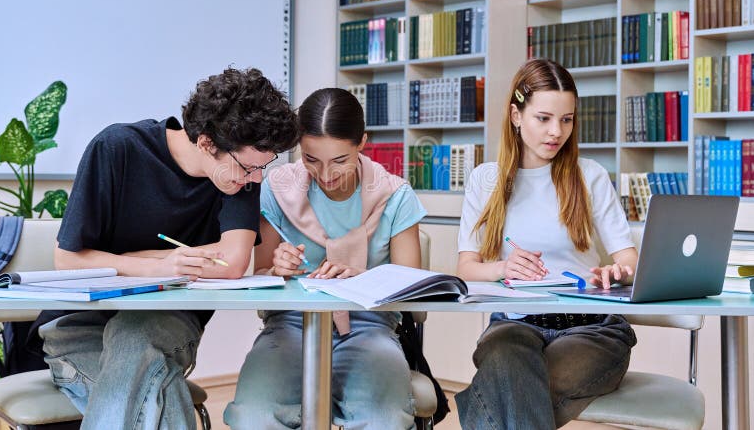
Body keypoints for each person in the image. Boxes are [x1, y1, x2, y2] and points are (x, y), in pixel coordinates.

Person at [37, 67, 299, 430]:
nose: (256, 179)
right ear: (207, 143)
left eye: (263, 168)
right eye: (249, 168)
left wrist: (127, 259)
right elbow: (66, 259)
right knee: (161, 404)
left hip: (165, 324)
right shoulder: (117, 149)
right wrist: (159, 267)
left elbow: (235, 262)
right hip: (81, 328)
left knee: (136, 337)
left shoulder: (241, 179)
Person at [224, 87, 426, 430]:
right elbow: (260, 271)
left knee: (385, 419)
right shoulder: (277, 188)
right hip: (290, 325)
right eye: (311, 159)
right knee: (253, 415)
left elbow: (410, 287)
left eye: (340, 161)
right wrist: (278, 266)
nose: (326, 174)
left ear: (362, 142)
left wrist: (361, 278)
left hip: (369, 326)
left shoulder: (395, 194)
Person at [454, 59, 639, 429]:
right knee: (509, 365)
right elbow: (466, 268)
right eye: (544, 118)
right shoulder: (485, 180)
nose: (557, 132)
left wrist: (617, 271)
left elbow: (628, 258)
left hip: (592, 330)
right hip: (514, 325)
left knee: (506, 383)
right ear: (516, 115)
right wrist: (502, 268)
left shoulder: (590, 176)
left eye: (567, 120)